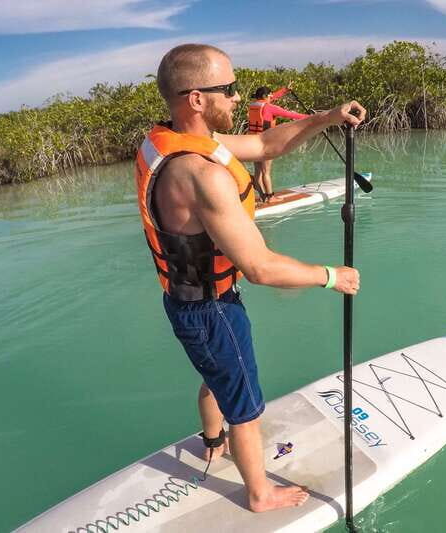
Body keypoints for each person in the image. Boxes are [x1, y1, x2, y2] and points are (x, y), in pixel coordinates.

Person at [135, 43, 363, 513]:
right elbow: (259, 267)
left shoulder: (167, 141)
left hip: (186, 302)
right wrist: (330, 276)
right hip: (212, 309)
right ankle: (259, 492)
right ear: (197, 98)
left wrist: (325, 117)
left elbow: (265, 145)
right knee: (245, 402)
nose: (239, 98)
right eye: (230, 89)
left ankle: (212, 441)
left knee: (216, 374)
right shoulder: (200, 174)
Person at [247, 86, 308, 202]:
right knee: (266, 172)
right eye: (270, 95)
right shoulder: (270, 108)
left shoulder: (254, 104)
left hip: (252, 142)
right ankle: (270, 197)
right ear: (265, 96)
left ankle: (262, 196)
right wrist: (311, 117)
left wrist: (285, 90)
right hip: (265, 143)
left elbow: (272, 97)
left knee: (258, 173)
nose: (272, 96)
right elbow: (290, 115)